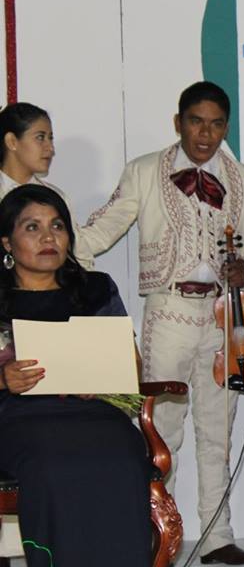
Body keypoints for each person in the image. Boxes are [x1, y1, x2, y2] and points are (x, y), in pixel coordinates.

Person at [77, 81, 244, 565]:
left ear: (226, 127)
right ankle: (149, 532)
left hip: (226, 317)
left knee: (219, 427)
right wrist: (56, 254)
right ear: (178, 122)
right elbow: (104, 227)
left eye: (214, 124)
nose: (204, 133)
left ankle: (216, 535)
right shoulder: (146, 171)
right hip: (169, 311)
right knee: (160, 426)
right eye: (195, 121)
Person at [0, 184, 152, 566]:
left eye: (58, 226)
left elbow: (132, 366)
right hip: (19, 418)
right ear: (6, 242)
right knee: (51, 463)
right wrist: (3, 379)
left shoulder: (95, 289)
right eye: (32, 228)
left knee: (123, 455)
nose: (48, 237)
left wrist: (104, 376)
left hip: (95, 412)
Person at [0, 103, 93, 268]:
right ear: (12, 141)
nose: (50, 148)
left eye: (51, 138)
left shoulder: (54, 196)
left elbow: (80, 257)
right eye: (40, 137)